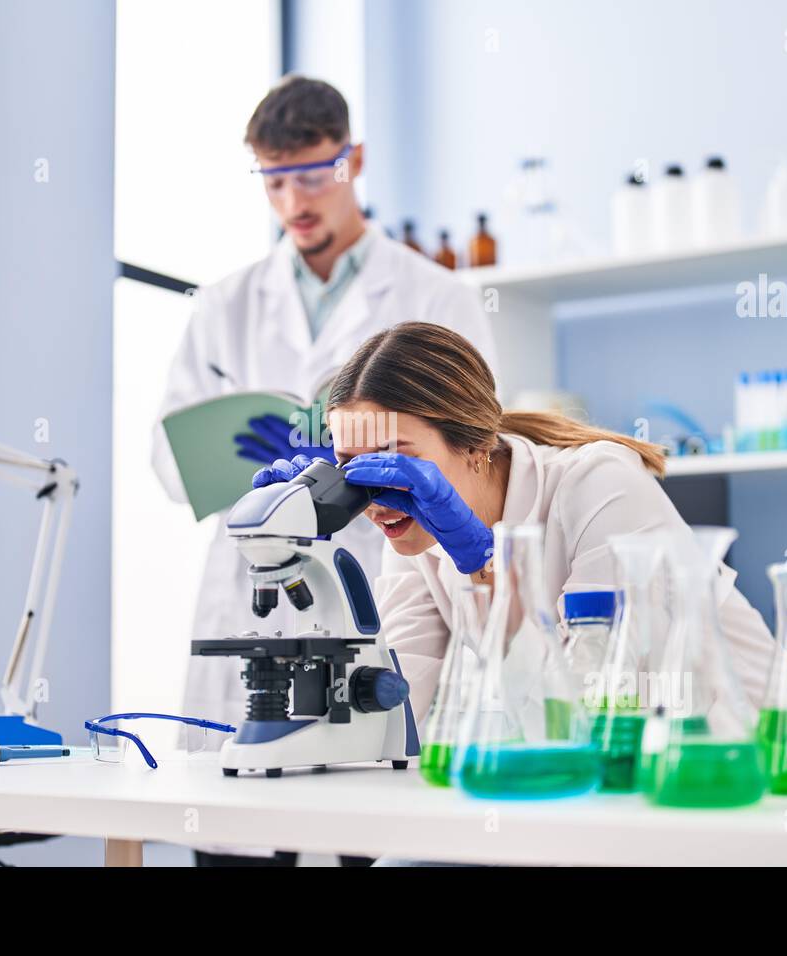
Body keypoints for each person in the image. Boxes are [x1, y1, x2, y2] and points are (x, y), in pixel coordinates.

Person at [151, 80, 496, 866]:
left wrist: (373, 462)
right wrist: (243, 455)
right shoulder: (227, 305)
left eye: (312, 175)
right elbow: (168, 463)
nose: (293, 201)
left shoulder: (436, 294)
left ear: (355, 161)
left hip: (385, 568)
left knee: (372, 821)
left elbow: (478, 440)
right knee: (233, 835)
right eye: (274, 180)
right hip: (256, 577)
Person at [253, 322, 776, 726]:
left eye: (393, 458)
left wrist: (483, 562)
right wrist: (302, 549)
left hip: (756, 764)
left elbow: (589, 707)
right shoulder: (413, 533)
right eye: (351, 462)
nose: (373, 494)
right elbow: (397, 708)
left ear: (476, 446)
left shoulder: (600, 483)